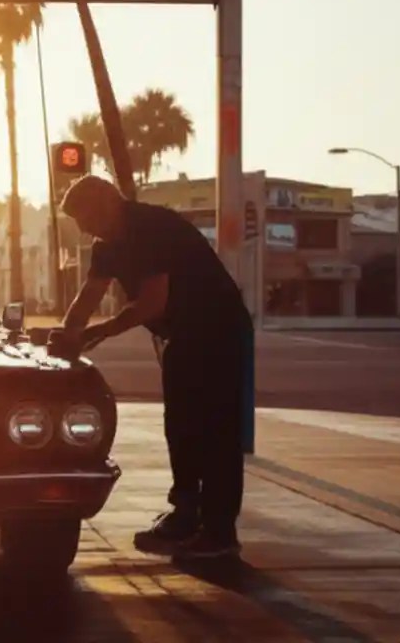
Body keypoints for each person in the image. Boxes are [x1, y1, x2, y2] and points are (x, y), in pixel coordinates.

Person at [48, 175, 252, 559]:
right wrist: (65, 335)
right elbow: (88, 295)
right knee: (181, 424)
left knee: (215, 430)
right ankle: (186, 513)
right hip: (181, 333)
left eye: (85, 218)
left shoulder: (152, 227)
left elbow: (151, 303)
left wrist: (94, 334)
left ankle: (219, 531)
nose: (84, 229)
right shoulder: (106, 245)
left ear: (108, 204)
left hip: (217, 328)